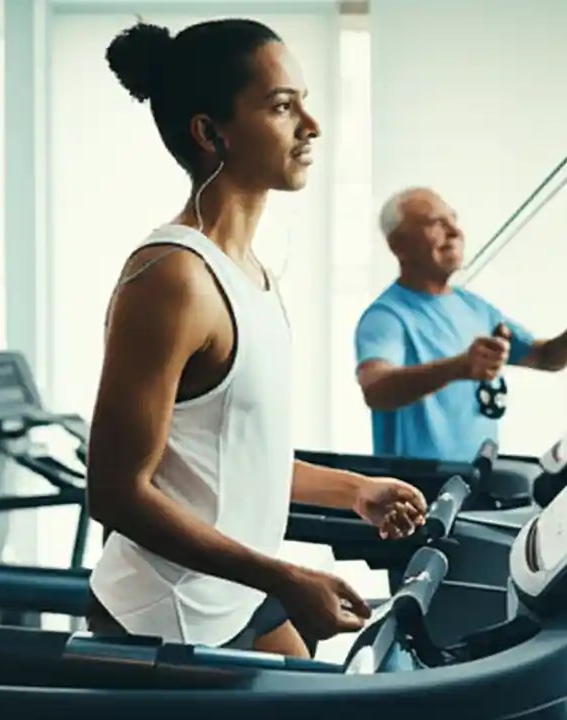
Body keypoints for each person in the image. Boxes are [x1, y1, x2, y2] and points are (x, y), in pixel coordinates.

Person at [85, 19, 428, 660]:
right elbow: (115, 491)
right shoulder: (171, 278)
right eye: (280, 106)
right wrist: (285, 577)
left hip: (234, 593)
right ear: (210, 132)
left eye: (303, 100)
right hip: (171, 614)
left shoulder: (251, 272)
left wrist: (354, 490)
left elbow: (233, 460)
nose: (311, 125)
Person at [354, 186, 567, 461]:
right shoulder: (386, 317)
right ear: (399, 245)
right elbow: (376, 390)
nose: (454, 231)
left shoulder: (475, 308)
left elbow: (547, 357)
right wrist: (458, 368)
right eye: (436, 223)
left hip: (476, 483)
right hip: (419, 491)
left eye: (453, 219)